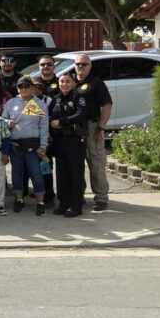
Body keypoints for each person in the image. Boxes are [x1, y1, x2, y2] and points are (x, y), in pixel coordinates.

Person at [2, 78, 50, 216]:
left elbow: (44, 126)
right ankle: (19, 199)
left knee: (36, 174)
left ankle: (40, 202)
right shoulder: (11, 103)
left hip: (33, 146)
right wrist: (7, 122)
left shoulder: (39, 103)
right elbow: (2, 119)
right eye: (20, 86)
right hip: (15, 145)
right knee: (17, 174)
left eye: (26, 86)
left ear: (32, 87)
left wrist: (43, 145)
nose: (23, 89)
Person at [72, 54, 112, 212]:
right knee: (76, 164)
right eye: (78, 64)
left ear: (90, 66)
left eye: (84, 64)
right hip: (75, 128)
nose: (80, 67)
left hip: (92, 126)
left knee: (96, 162)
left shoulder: (97, 83)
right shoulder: (71, 81)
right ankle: (78, 195)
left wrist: (101, 127)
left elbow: (107, 105)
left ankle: (101, 198)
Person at [50, 73, 88, 217]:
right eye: (62, 81)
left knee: (75, 174)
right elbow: (51, 116)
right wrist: (53, 124)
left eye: (67, 81)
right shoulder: (56, 99)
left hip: (75, 141)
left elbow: (81, 115)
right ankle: (63, 203)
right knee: (61, 174)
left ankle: (76, 206)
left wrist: (62, 121)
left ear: (73, 83)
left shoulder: (79, 97)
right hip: (60, 141)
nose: (64, 84)